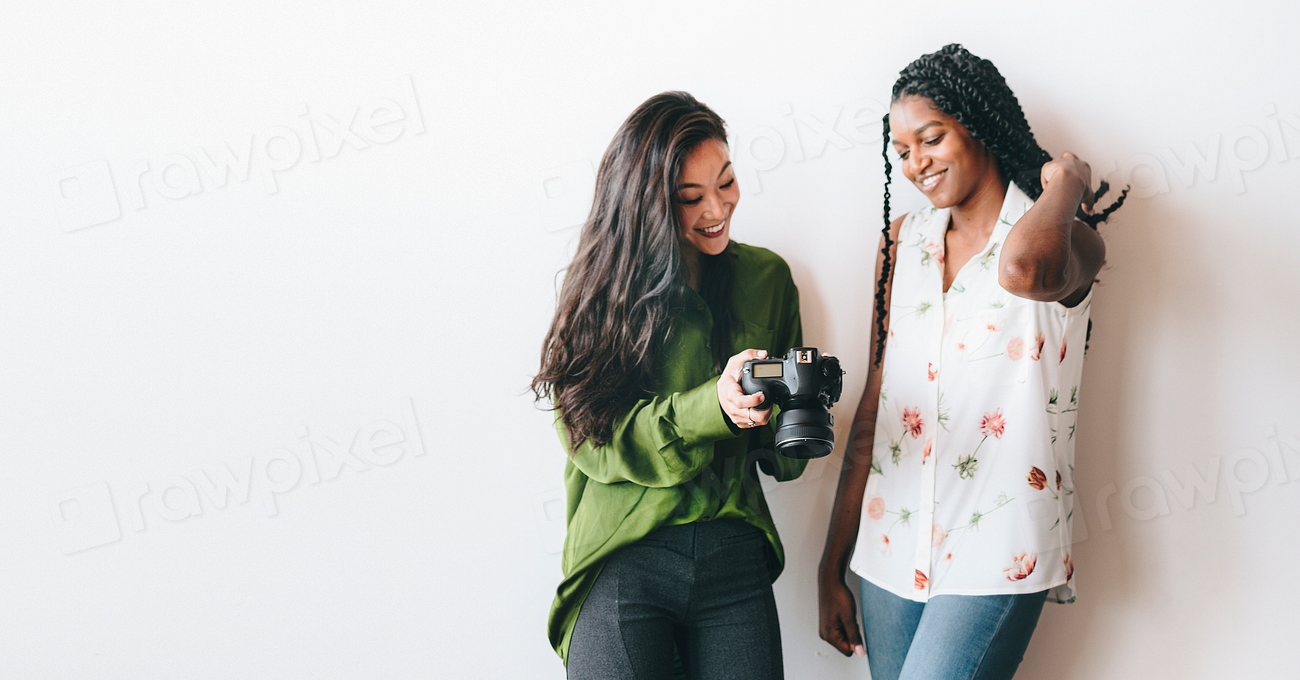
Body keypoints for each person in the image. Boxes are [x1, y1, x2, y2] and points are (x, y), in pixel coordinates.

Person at [817, 44, 1128, 680]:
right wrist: (831, 563)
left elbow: (1021, 271)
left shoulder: (1070, 241)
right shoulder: (902, 242)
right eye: (901, 152)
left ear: (977, 127)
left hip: (1001, 546)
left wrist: (1065, 183)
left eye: (931, 139)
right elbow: (879, 405)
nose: (916, 164)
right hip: (889, 546)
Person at [532, 91, 806, 680]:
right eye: (690, 198)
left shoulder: (769, 279)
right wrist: (715, 405)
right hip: (624, 555)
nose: (718, 208)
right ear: (646, 205)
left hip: (734, 555)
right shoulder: (605, 296)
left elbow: (781, 460)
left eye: (727, 182)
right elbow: (589, 440)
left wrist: (796, 420)